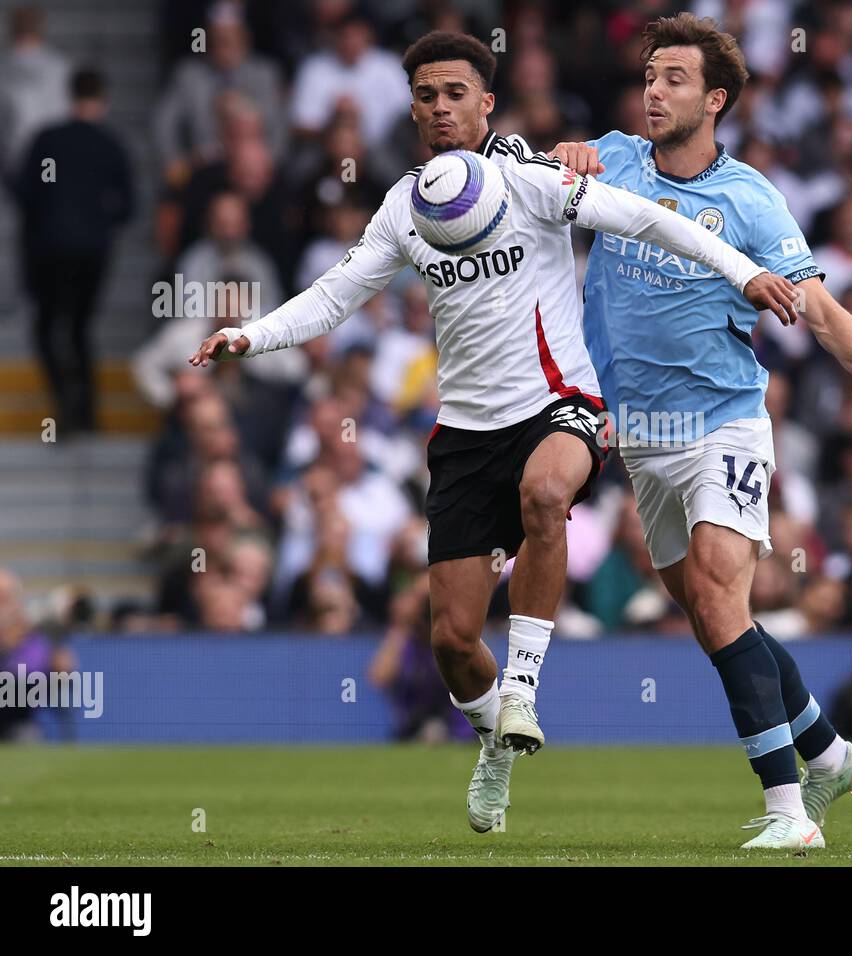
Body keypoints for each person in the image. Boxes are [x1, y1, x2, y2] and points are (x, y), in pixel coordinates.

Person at [188, 30, 797, 835]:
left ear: (486, 103)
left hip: (562, 407)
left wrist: (741, 269)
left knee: (548, 495)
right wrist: (250, 335)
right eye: (426, 97)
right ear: (413, 109)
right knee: (449, 641)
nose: (439, 109)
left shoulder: (532, 180)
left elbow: (647, 219)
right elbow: (336, 295)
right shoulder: (404, 208)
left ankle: (524, 689)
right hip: (466, 432)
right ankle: (495, 744)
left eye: (454, 95)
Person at [549, 13, 852, 851]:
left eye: (674, 79)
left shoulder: (752, 200)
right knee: (707, 612)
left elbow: (821, 310)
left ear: (715, 97)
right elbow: (527, 187)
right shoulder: (613, 159)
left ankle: (788, 813)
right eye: (650, 76)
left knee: (724, 593)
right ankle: (828, 752)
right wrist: (561, 157)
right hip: (640, 438)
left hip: (725, 422)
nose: (655, 91)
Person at [13, 68, 133, 434]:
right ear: (103, 99)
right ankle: (86, 411)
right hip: (92, 253)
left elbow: (23, 192)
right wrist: (97, 225)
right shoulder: (110, 145)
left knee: (49, 327)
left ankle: (67, 406)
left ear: (70, 96)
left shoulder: (48, 140)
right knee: (80, 328)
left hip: (49, 251)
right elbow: (128, 206)